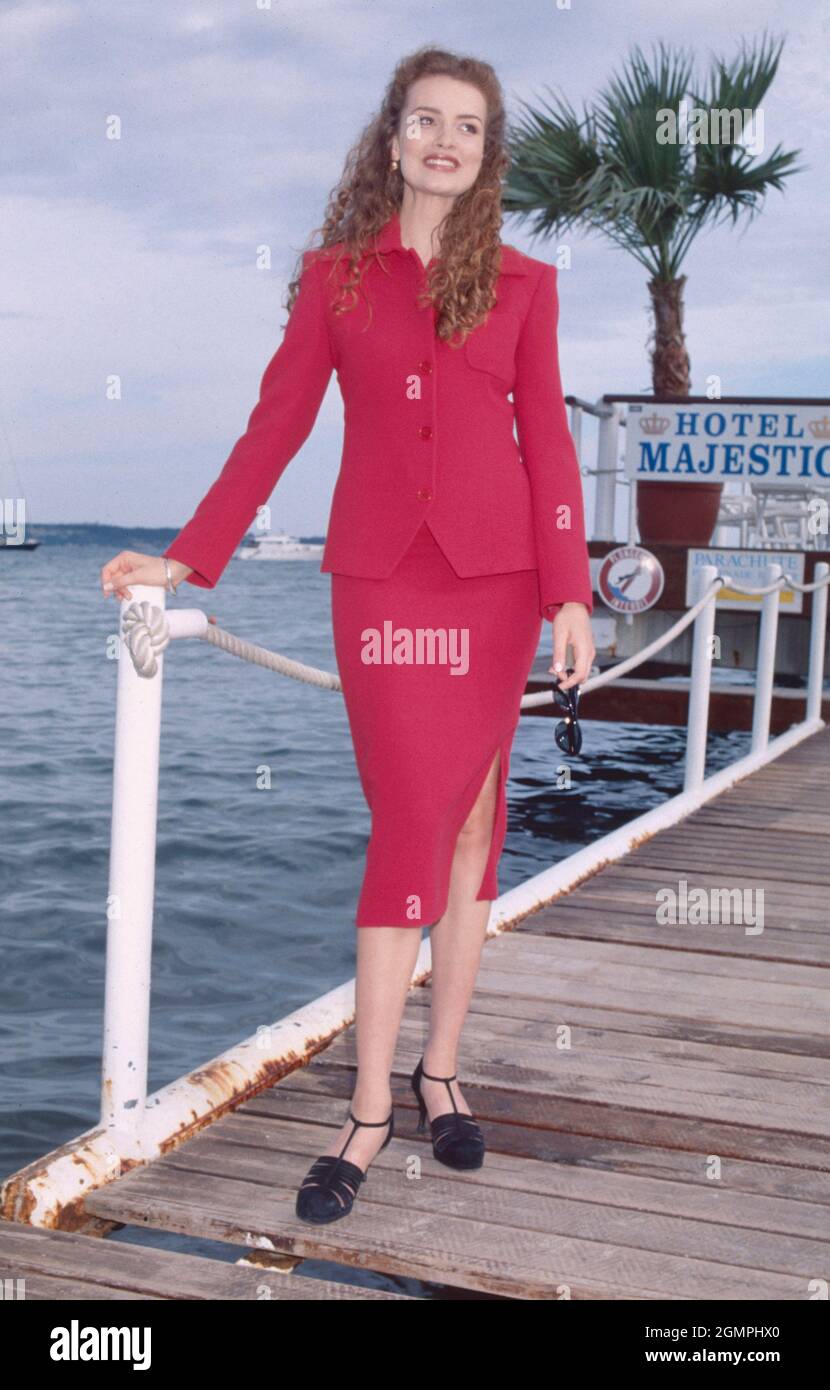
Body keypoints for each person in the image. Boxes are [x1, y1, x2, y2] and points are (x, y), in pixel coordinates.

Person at [100, 46, 595, 1225]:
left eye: (466, 127)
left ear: (486, 154)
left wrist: (570, 590)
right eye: (424, 121)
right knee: (406, 819)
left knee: (476, 817)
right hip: (381, 583)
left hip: (499, 583)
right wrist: (191, 551)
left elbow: (552, 448)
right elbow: (276, 427)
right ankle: (369, 1103)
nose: (443, 141)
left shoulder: (524, 285)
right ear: (392, 140)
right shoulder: (333, 280)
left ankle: (441, 1069)